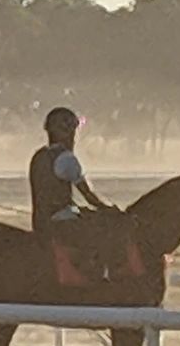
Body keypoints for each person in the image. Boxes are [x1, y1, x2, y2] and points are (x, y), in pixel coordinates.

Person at [29, 105, 123, 280]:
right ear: (67, 131)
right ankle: (102, 278)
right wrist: (111, 209)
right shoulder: (66, 159)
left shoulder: (39, 156)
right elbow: (89, 197)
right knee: (109, 231)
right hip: (63, 224)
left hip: (40, 223)